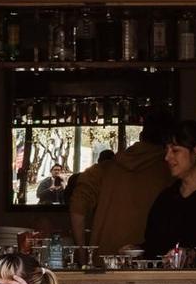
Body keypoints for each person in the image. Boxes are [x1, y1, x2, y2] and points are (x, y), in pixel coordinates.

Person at [69, 107, 173, 253]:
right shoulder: (171, 172)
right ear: (168, 140)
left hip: (105, 263)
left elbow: (77, 206)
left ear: (141, 135)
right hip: (154, 266)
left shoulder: (106, 169)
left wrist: (82, 255)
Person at [143, 119, 196, 261]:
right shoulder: (165, 200)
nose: (167, 157)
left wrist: (193, 255)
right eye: (166, 150)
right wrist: (137, 250)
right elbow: (153, 247)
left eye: (175, 150)